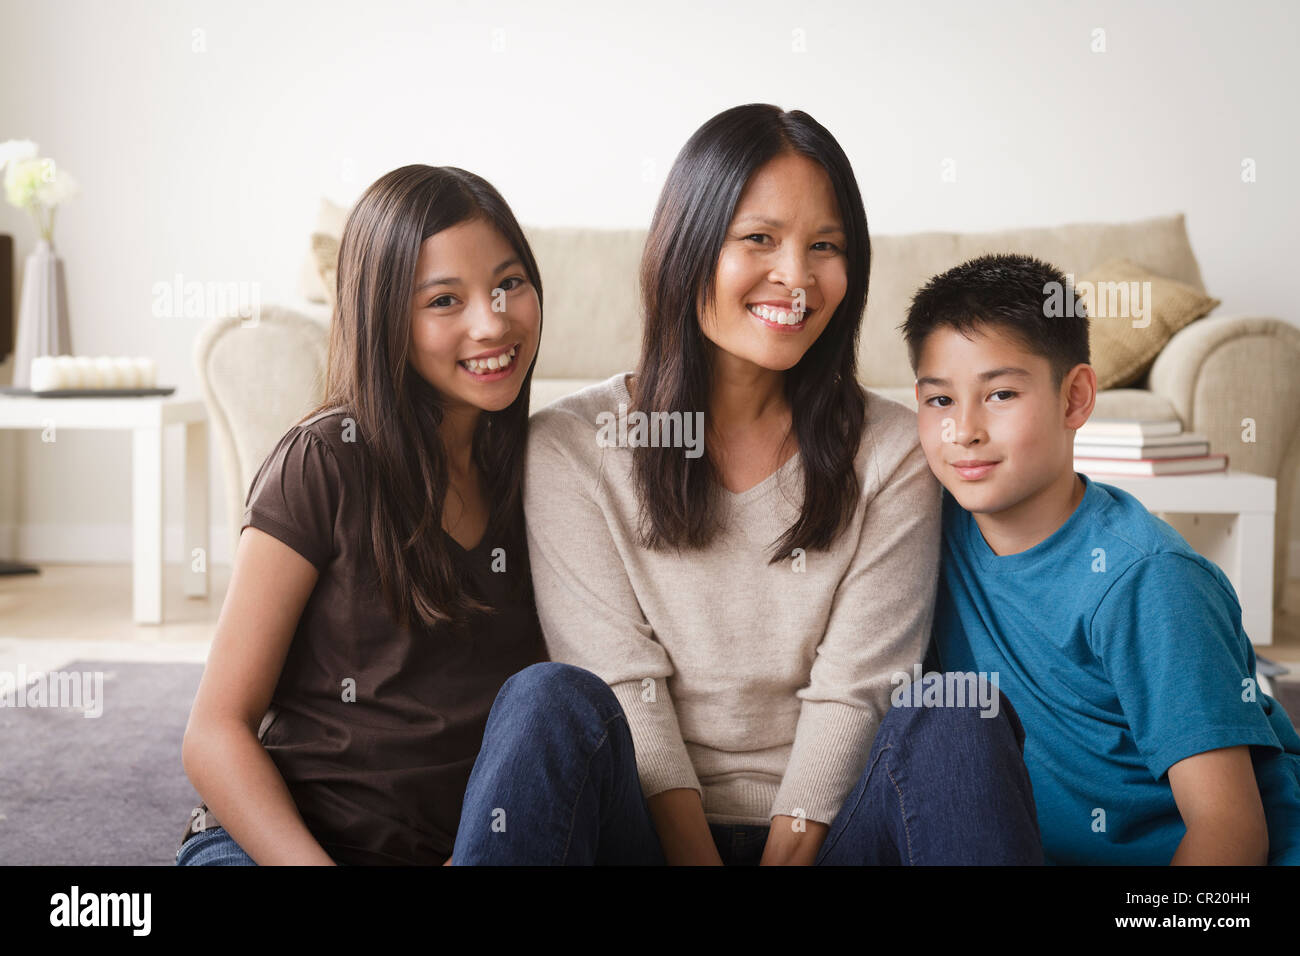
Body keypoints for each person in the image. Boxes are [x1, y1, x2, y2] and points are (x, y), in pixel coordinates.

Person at [450, 104, 1044, 865]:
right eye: (759, 239)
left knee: (959, 708)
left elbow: (855, 691)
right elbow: (626, 688)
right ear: (689, 246)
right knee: (543, 697)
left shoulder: (894, 448)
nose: (795, 279)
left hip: (831, 834)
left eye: (824, 246)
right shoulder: (571, 447)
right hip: (643, 833)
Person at [176, 164, 547, 865]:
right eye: (444, 300)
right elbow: (215, 730)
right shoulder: (321, 464)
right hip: (285, 846)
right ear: (384, 318)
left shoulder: (545, 475)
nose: (491, 320)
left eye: (509, 284)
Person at [903, 251, 1300, 865]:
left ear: (1075, 398)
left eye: (1001, 393)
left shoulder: (1148, 581)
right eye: (939, 402)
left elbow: (1233, 835)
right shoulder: (923, 528)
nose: (965, 431)